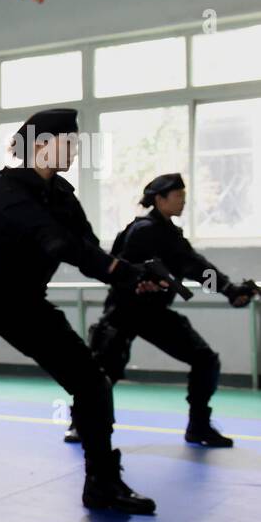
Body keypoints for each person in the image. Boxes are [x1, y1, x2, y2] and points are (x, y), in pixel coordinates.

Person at [0, 108, 167, 515]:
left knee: (91, 382)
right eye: (68, 142)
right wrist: (118, 271)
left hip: (25, 302)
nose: (75, 150)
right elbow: (54, 241)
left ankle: (102, 482)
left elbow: (88, 248)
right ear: (40, 146)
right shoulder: (4, 189)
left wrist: (132, 276)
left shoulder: (62, 197)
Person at [63, 172, 256, 447]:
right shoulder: (141, 230)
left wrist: (229, 290)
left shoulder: (171, 233)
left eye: (184, 197)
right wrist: (140, 280)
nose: (183, 202)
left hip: (154, 313)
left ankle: (199, 426)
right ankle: (80, 424)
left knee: (205, 359)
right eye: (178, 197)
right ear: (160, 199)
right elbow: (118, 267)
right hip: (125, 310)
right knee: (103, 370)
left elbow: (195, 266)